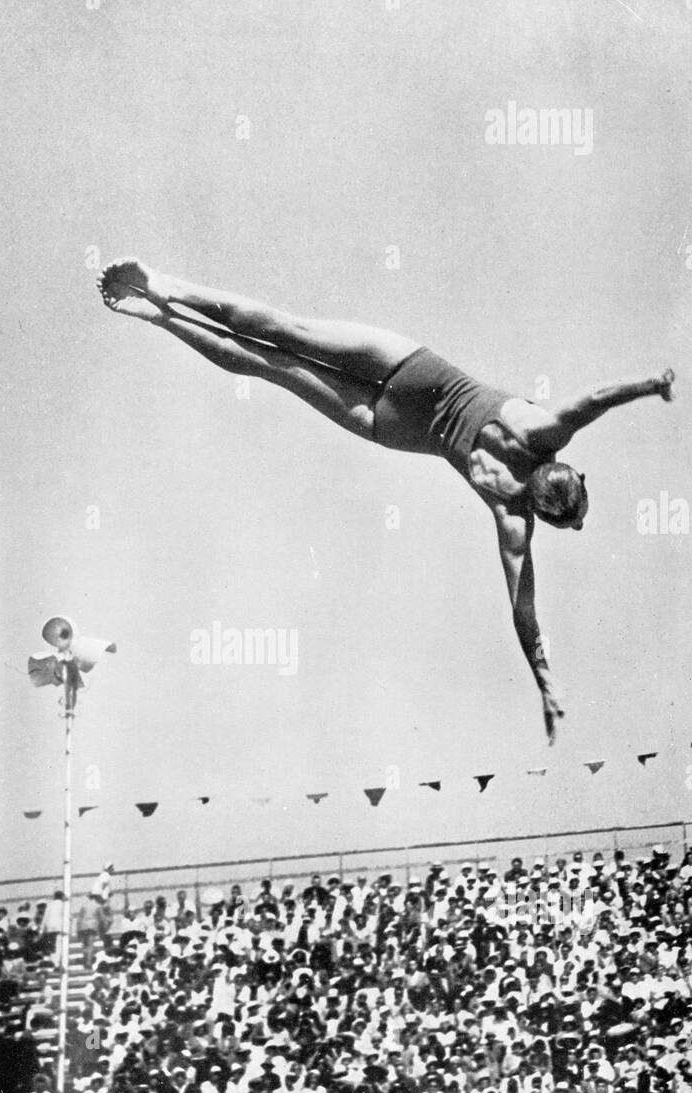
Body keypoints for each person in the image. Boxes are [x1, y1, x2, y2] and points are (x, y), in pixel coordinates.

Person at [99, 258, 674, 742]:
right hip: (392, 425)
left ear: (569, 470)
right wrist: (545, 683)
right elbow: (523, 611)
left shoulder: (545, 432)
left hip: (413, 369)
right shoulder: (512, 518)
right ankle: (159, 315)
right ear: (549, 511)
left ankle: (169, 287)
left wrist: (653, 384)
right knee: (272, 365)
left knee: (286, 329)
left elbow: (599, 397)